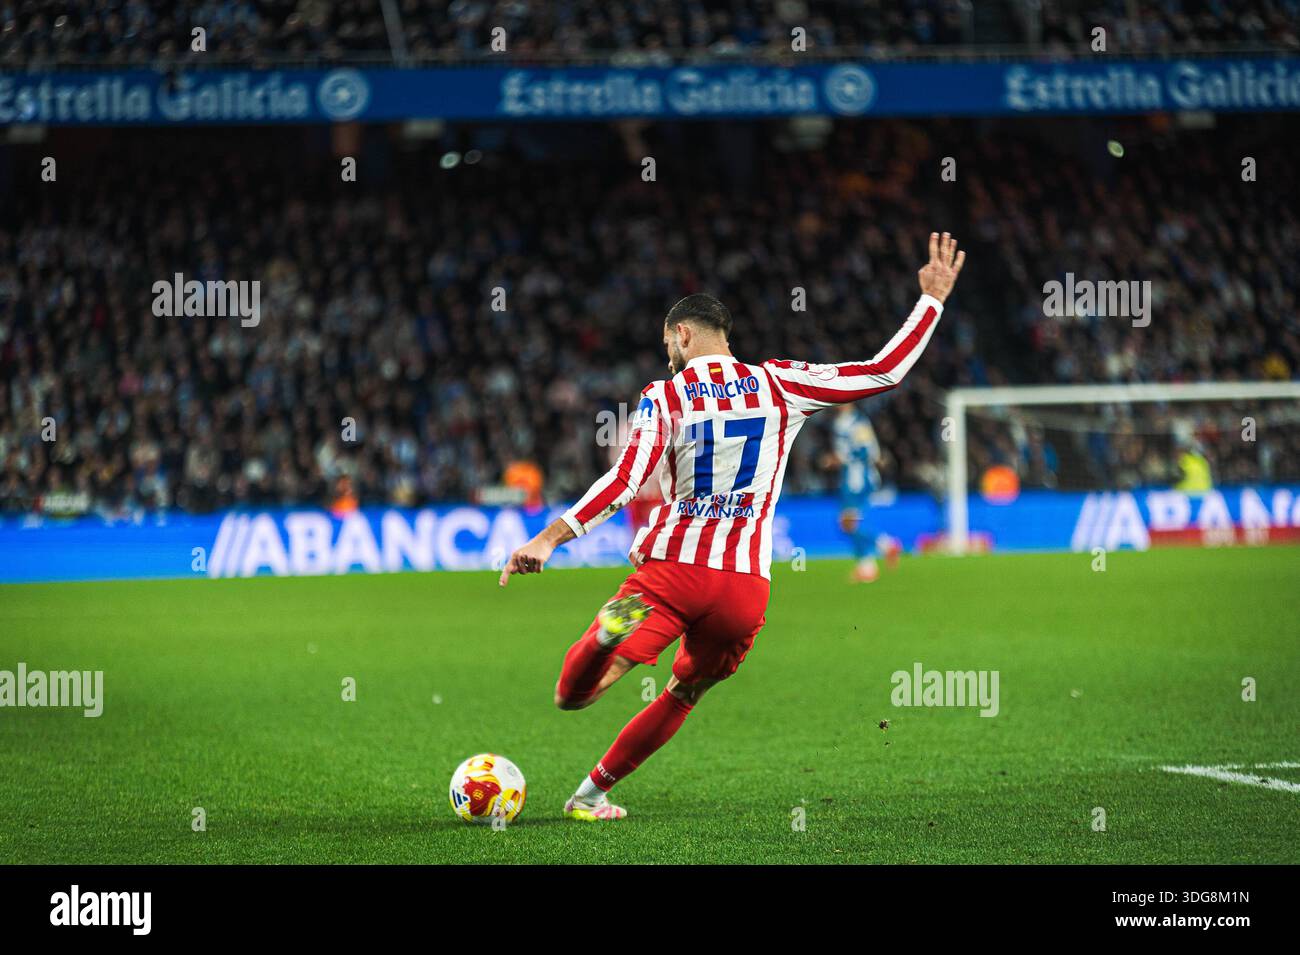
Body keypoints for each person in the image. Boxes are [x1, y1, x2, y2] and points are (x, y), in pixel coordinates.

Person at [499, 233, 966, 821]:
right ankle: (592, 795)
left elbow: (623, 482)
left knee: (575, 695)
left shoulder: (665, 395)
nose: (667, 354)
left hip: (670, 574)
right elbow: (883, 372)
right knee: (684, 692)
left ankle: (605, 637)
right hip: (744, 587)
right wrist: (931, 301)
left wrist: (548, 539)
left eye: (668, 343)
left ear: (683, 335)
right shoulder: (779, 383)